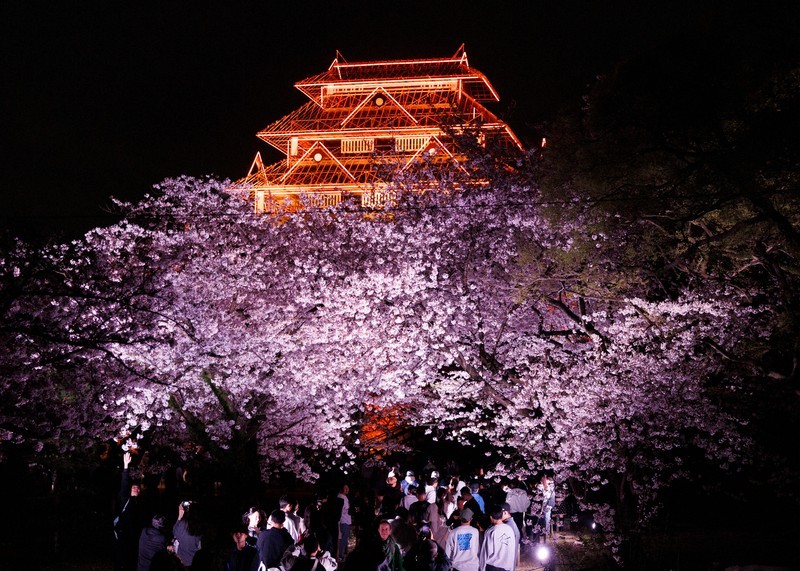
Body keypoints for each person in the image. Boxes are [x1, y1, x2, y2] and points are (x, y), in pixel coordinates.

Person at [116, 451, 146, 571]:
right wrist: (125, 467)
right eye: (133, 487)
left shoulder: (141, 503)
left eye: (137, 488)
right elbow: (124, 483)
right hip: (124, 532)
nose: (135, 489)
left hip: (136, 534)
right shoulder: (125, 499)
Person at [173, 500, 203, 568]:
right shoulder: (201, 525)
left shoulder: (183, 524)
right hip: (195, 560)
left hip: (183, 560)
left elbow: (174, 532)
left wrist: (179, 516)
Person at [337, 483, 352, 561]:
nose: (347, 489)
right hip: (344, 520)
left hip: (343, 520)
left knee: (342, 538)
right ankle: (340, 555)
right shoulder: (343, 497)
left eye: (348, 488)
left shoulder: (340, 496)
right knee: (343, 539)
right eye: (345, 488)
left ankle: (340, 555)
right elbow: (346, 509)